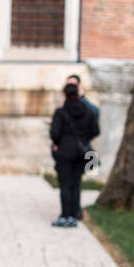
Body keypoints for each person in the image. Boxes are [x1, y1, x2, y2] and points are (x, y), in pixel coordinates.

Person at [50, 82, 100, 228]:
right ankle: (74, 215)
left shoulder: (61, 112)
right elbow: (95, 131)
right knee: (76, 184)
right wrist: (84, 140)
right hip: (81, 153)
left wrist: (60, 141)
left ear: (64, 94)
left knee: (65, 185)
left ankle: (65, 216)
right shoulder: (88, 111)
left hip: (65, 151)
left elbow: (54, 133)